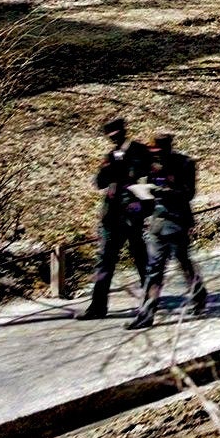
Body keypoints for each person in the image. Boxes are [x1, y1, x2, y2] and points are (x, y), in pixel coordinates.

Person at [128, 129, 208, 329]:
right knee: (154, 269)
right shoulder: (152, 166)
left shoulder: (185, 164)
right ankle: (145, 314)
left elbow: (188, 193)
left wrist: (162, 191)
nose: (156, 155)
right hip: (157, 223)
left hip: (177, 223)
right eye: (153, 152)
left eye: (159, 151)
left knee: (183, 262)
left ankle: (199, 295)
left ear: (168, 148)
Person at [80, 117, 150, 320]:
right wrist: (110, 168)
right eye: (110, 135)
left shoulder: (139, 151)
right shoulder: (110, 156)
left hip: (133, 214)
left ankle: (150, 300)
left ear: (123, 131)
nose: (114, 138)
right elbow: (100, 182)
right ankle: (97, 307)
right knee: (104, 262)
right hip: (111, 217)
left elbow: (144, 176)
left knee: (140, 259)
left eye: (116, 133)